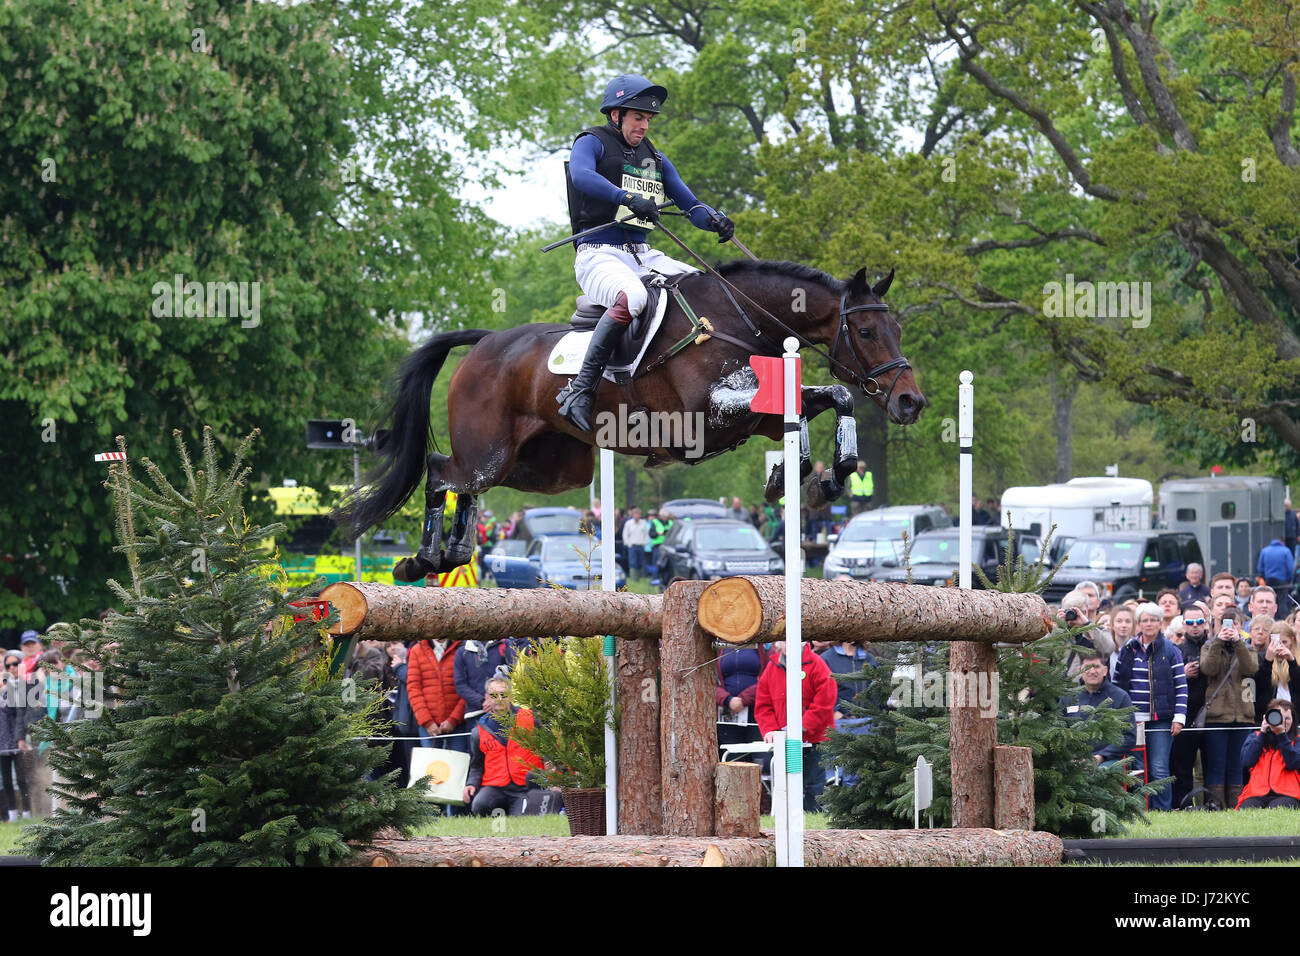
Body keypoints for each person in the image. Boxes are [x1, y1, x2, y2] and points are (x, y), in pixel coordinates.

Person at [557, 74, 734, 432]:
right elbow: (581, 176)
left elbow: (690, 204)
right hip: (598, 253)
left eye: (648, 119)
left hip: (642, 253)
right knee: (634, 296)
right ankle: (580, 390)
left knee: (706, 289)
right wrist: (626, 198)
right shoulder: (591, 143)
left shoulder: (654, 157)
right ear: (616, 115)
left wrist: (715, 219)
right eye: (638, 117)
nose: (644, 125)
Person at [1113, 602, 1187, 811]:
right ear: (1138, 623)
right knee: (1137, 769)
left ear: (1160, 623)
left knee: (1159, 768)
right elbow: (1118, 685)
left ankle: (1162, 811)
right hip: (1133, 719)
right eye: (1144, 620)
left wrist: (1179, 717)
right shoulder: (1128, 649)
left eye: (1153, 620)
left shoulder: (1171, 650)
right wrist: (1119, 717)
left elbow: (1181, 686)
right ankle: (1139, 810)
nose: (1148, 624)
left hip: (1161, 719)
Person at [755, 640, 838, 811]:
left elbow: (825, 701)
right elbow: (763, 704)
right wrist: (770, 729)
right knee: (786, 785)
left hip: (814, 739)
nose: (787, 644)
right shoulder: (772, 666)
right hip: (783, 740)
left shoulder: (817, 664)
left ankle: (812, 821)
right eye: (783, 640)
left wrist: (803, 726)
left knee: (813, 786)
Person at [462, 677, 558, 816]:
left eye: (503, 694)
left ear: (511, 696)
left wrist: (552, 773)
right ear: (487, 697)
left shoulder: (532, 719)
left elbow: (547, 750)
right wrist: (471, 784)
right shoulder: (478, 731)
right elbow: (477, 765)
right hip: (495, 787)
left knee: (523, 819)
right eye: (494, 695)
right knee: (480, 804)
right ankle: (498, 823)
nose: (499, 699)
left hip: (525, 787)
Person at [1198, 608, 1258, 810]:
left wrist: (1238, 642)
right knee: (1216, 763)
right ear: (1218, 627)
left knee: (1236, 764)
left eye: (1234, 625)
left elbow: (1251, 669)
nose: (1230, 629)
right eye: (1225, 625)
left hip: (1243, 715)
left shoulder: (1248, 648)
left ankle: (1235, 805)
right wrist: (1218, 642)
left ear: (1241, 627)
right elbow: (1208, 669)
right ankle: (1215, 806)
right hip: (1217, 715)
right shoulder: (1209, 646)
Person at [1170, 602, 1211, 809]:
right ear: (1184, 624)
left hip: (1212, 717)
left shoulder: (1215, 646)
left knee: (1211, 766)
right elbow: (1166, 683)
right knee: (1182, 767)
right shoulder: (1176, 650)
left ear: (1206, 623)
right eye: (1190, 622)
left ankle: (1214, 805)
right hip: (1184, 716)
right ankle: (1183, 805)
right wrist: (1182, 674)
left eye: (1199, 621)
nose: (1195, 626)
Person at [1063, 648, 1136, 766]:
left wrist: (1101, 756)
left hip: (1109, 760)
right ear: (1080, 671)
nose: (1092, 671)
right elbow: (1058, 730)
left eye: (1096, 666)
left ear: (1105, 670)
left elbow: (1129, 737)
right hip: (1073, 759)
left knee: (1098, 774)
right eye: (1087, 667)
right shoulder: (1068, 697)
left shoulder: (1120, 697)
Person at [407, 636, 468, 753]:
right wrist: (427, 721)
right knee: (431, 768)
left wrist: (454, 719)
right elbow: (413, 689)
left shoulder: (461, 649)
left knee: (458, 766)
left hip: (457, 725)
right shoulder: (417, 650)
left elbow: (465, 686)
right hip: (428, 726)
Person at [1236, 699, 1300, 809]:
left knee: (1277, 807)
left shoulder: (1297, 740)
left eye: (1287, 718)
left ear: (1293, 721)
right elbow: (1246, 761)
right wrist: (1262, 733)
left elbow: (1293, 763)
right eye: (1279, 717)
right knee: (1247, 809)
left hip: (1287, 793)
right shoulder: (1255, 737)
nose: (1283, 722)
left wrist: (1282, 736)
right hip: (1256, 793)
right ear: (1268, 718)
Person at [0, 649, 33, 821]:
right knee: (6, 779)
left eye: (16, 663)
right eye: (8, 665)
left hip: (20, 736)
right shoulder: (6, 685)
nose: (12, 667)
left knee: (22, 778)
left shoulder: (28, 684)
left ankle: (27, 812)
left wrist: (21, 737)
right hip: (4, 738)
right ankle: (12, 814)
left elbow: (21, 712)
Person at [819, 640, 878, 722]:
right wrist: (836, 713)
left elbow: (877, 690)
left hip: (869, 722)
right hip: (839, 722)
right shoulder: (826, 659)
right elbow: (822, 691)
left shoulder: (870, 659)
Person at [621, 507, 649, 580]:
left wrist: (645, 543)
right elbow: (625, 534)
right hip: (632, 546)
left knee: (641, 562)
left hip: (641, 545)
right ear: (633, 515)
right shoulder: (628, 523)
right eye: (635, 514)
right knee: (633, 562)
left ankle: (641, 577)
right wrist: (628, 543)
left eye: (638, 514)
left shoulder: (643, 523)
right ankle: (634, 578)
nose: (637, 516)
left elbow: (646, 534)